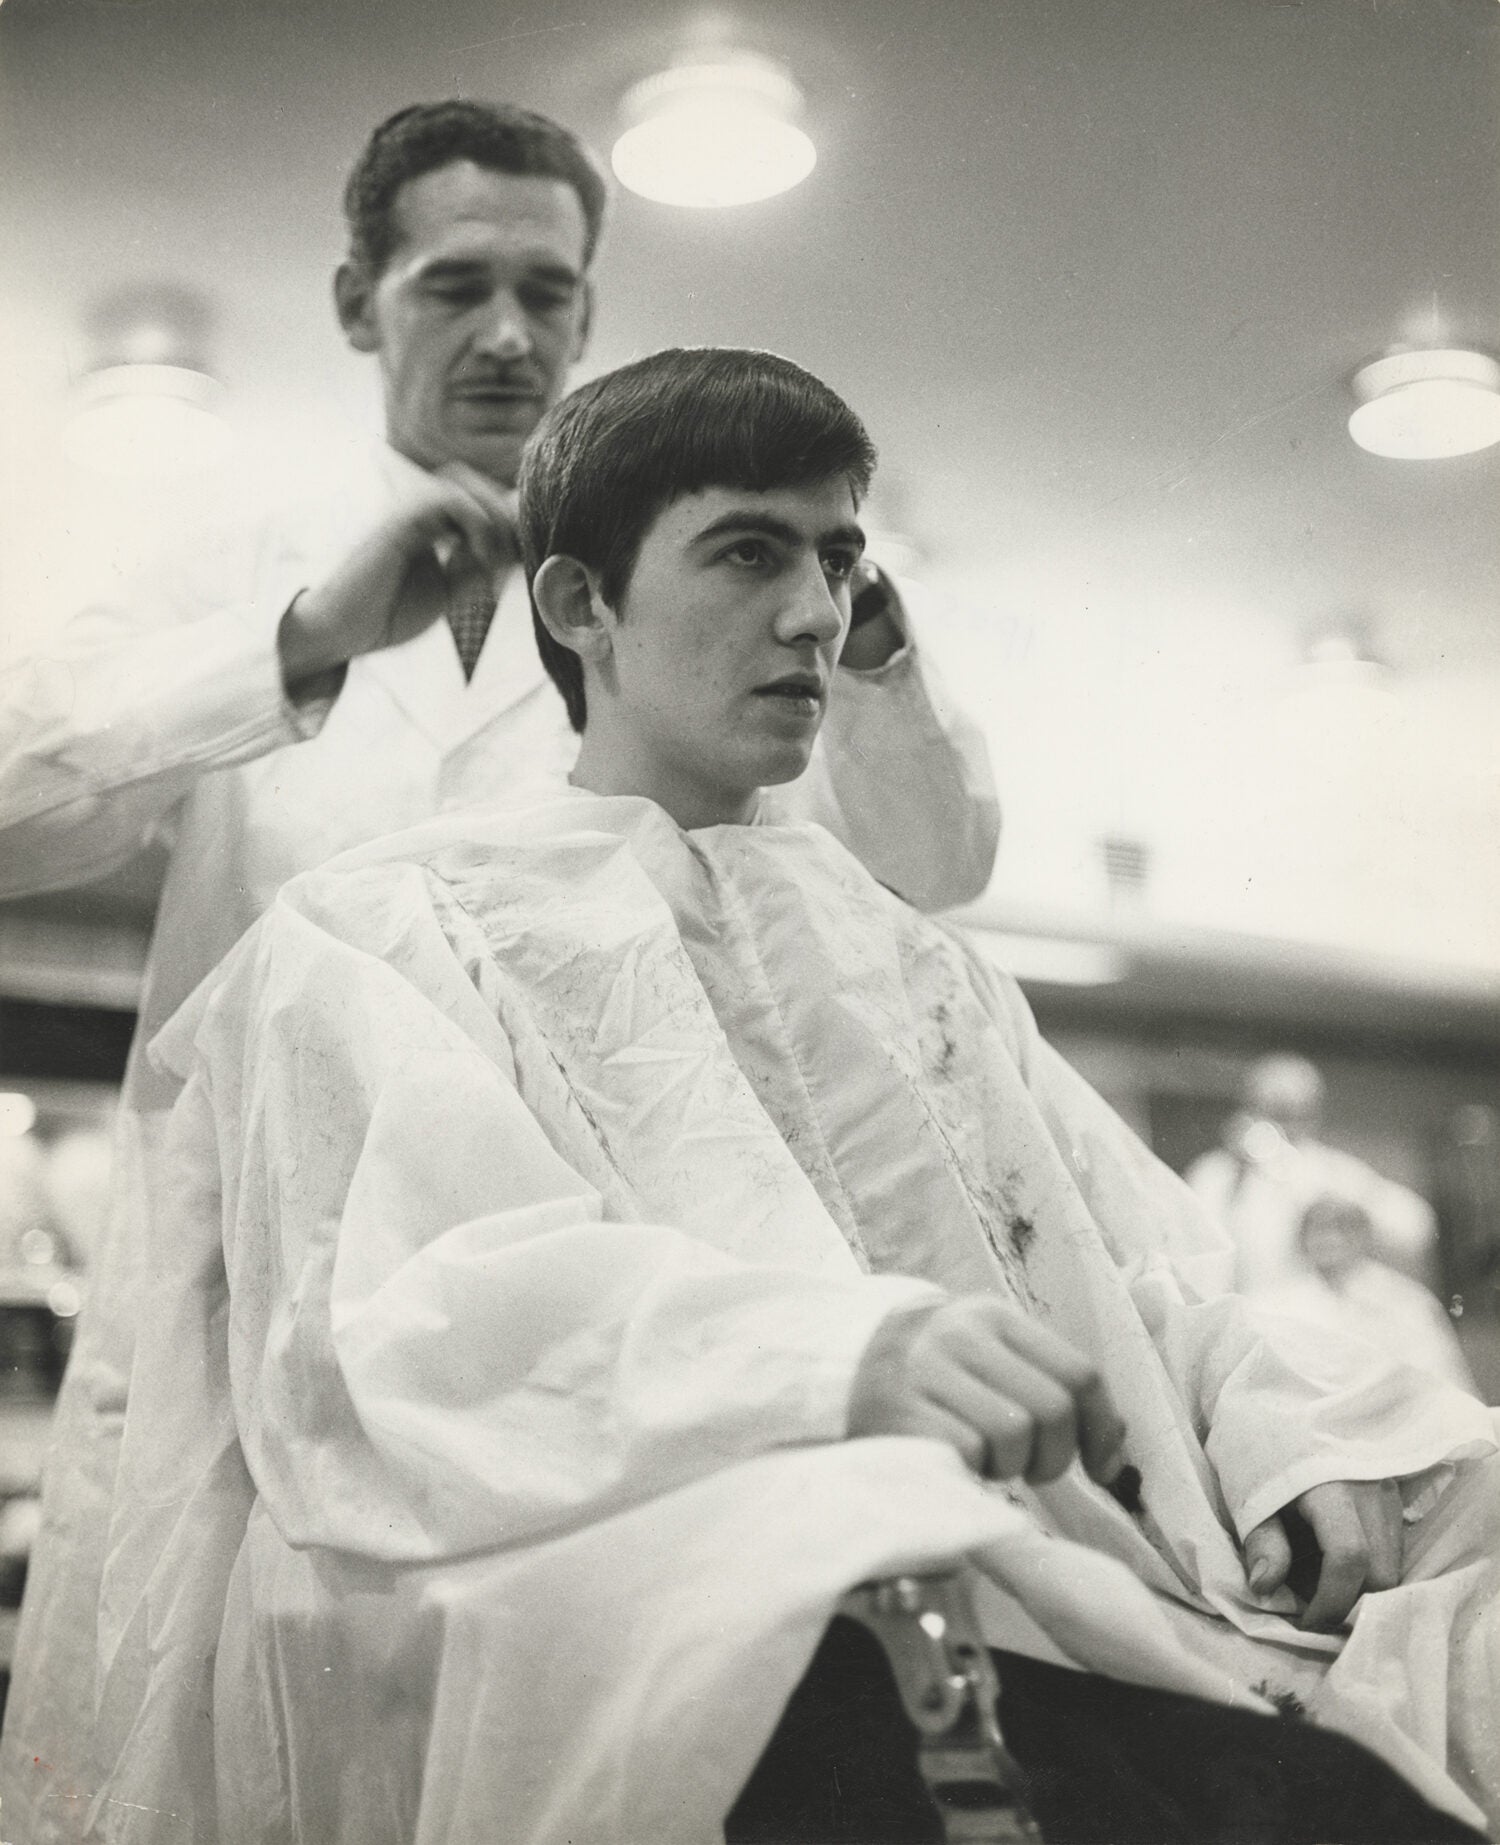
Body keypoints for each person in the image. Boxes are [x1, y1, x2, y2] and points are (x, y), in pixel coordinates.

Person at [85, 350, 1497, 1844]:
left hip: (1143, 1596)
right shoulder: (392, 930)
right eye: (749, 551)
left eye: (838, 558)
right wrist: (841, 1357)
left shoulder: (913, 961)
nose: (818, 613)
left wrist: (1299, 1438)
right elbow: (423, 1320)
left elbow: (1151, 1271)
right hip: (804, 1651)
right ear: (581, 607)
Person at [0, 104, 1000, 1836]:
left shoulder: (685, 596)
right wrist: (303, 640)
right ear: (353, 300)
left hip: (570, 1355)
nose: (512, 333)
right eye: (457, 285)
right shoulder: (237, 568)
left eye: (552, 290)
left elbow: (930, 878)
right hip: (258, 1326)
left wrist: (883, 660)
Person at [1186, 1052, 1439, 1296]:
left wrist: (1350, 1209)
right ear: (1249, 1109)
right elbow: (1194, 1253)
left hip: (1313, 1320)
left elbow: (1416, 1227)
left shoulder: (1333, 1169)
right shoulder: (1214, 1173)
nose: (1286, 1126)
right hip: (1243, 1316)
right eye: (1276, 1112)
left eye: (1298, 1115)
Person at [1261, 1193, 1477, 1395]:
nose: (1329, 1239)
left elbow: (1437, 1371)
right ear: (1301, 1239)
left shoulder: (1405, 1299)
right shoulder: (1277, 1302)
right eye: (1318, 1230)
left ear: (1364, 1237)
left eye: (1342, 1229)